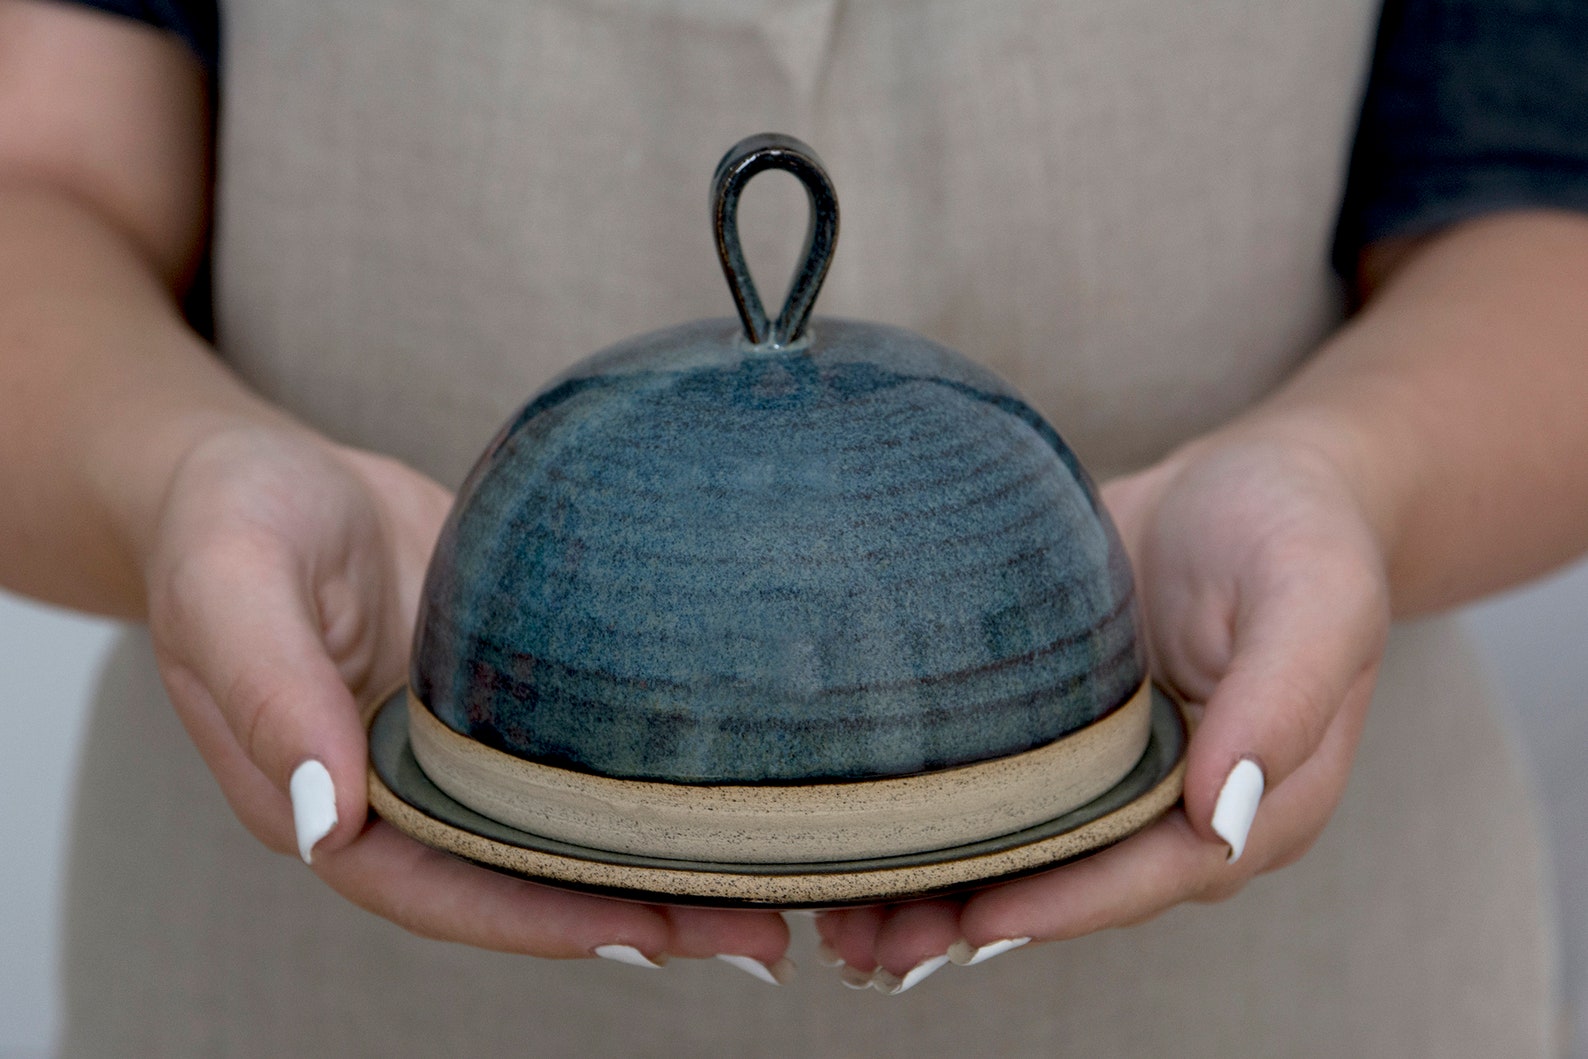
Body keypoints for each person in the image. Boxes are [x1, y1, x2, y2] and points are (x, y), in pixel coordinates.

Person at [2, 0, 1584, 1053]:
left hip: (1278, 999)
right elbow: (39, 178)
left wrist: (1344, 477)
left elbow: (1542, 214)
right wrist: (179, 475)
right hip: (318, 999)